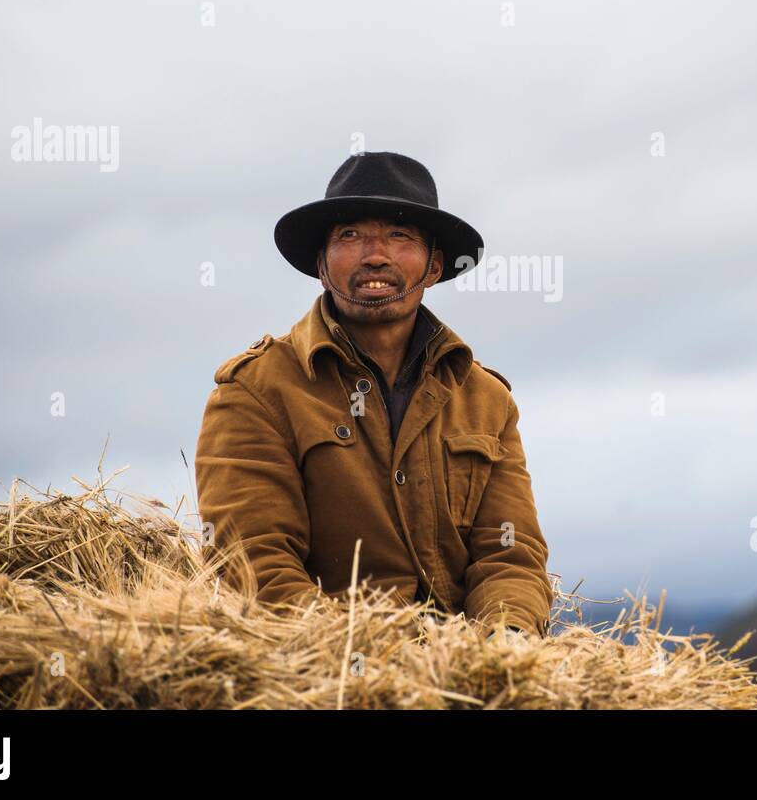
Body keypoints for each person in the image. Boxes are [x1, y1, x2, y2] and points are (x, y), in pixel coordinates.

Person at [194, 151, 552, 639]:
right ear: (321, 265)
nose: (375, 254)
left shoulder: (486, 400)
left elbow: (509, 556)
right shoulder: (255, 391)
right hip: (324, 668)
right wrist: (373, 659)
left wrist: (501, 645)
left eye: (399, 235)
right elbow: (255, 559)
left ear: (433, 266)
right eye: (350, 235)